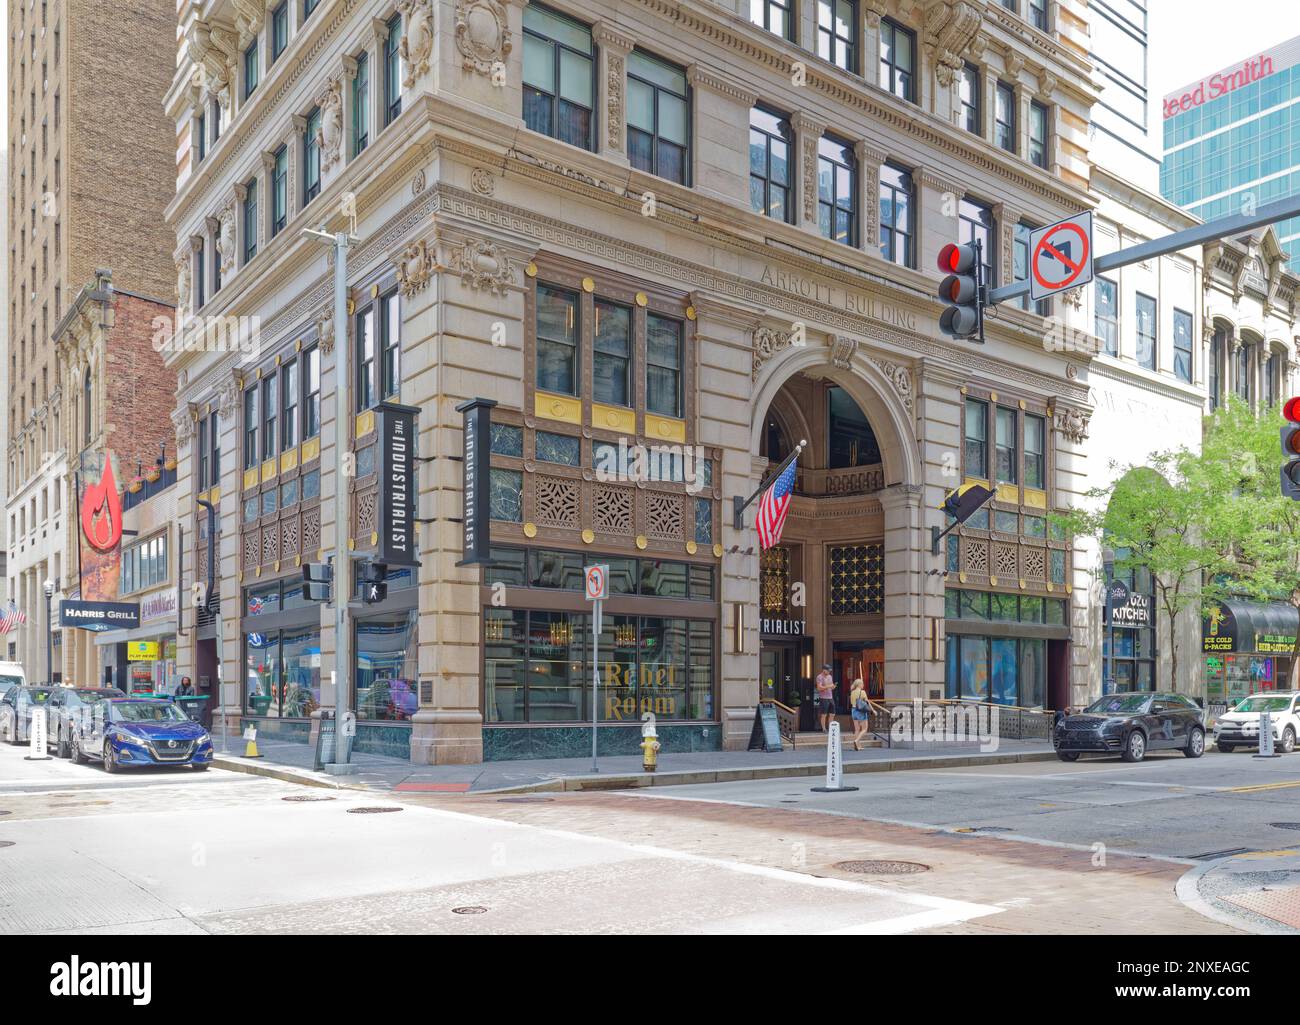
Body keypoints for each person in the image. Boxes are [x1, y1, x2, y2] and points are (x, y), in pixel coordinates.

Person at [849, 677, 871, 750]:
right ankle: (856, 740)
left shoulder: (852, 692)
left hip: (853, 710)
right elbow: (867, 702)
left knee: (857, 729)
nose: (863, 685)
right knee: (864, 729)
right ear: (859, 684)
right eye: (862, 684)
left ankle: (858, 746)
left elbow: (852, 702)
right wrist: (873, 710)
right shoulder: (863, 692)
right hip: (860, 711)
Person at [814, 663, 836, 732]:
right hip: (823, 698)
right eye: (828, 670)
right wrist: (829, 686)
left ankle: (830, 728)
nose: (829, 672)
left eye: (829, 671)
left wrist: (833, 687)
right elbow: (819, 688)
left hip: (830, 697)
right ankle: (824, 728)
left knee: (832, 713)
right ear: (824, 670)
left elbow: (831, 686)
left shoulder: (830, 676)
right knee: (824, 714)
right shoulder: (819, 677)